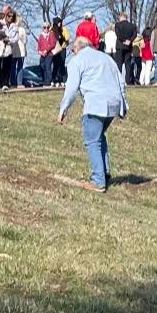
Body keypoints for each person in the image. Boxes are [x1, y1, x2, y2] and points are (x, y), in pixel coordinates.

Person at [57, 33, 127, 193]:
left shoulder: (77, 61)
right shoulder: (106, 58)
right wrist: (123, 105)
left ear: (77, 48)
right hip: (113, 104)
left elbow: (71, 88)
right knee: (99, 136)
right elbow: (121, 81)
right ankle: (105, 173)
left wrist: (63, 109)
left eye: (73, 50)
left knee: (92, 140)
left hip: (96, 103)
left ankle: (98, 181)